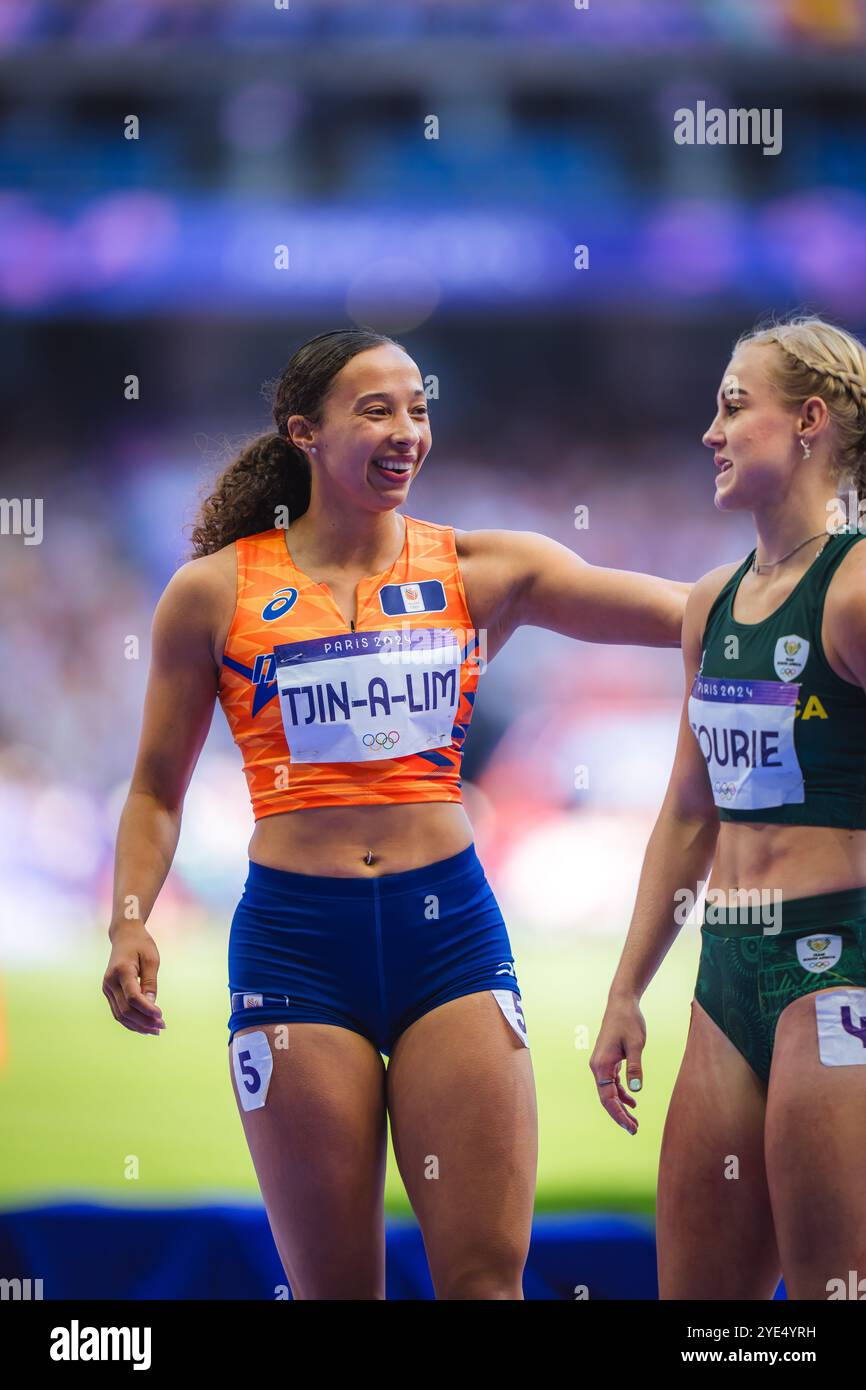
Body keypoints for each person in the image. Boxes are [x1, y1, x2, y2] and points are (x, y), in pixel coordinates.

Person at [103, 326, 688, 1300]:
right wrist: (129, 920)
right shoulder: (210, 594)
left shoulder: (481, 568)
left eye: (419, 408)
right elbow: (154, 789)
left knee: (485, 1284)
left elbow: (689, 613)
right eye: (375, 409)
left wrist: (818, 584)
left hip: (447, 936)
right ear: (303, 431)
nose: (407, 429)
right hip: (295, 948)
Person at [591, 314, 866, 1300]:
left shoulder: (854, 590)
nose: (709, 431)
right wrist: (627, 988)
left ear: (809, 420)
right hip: (726, 968)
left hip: (837, 963)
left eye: (732, 406)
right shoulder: (711, 602)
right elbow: (686, 813)